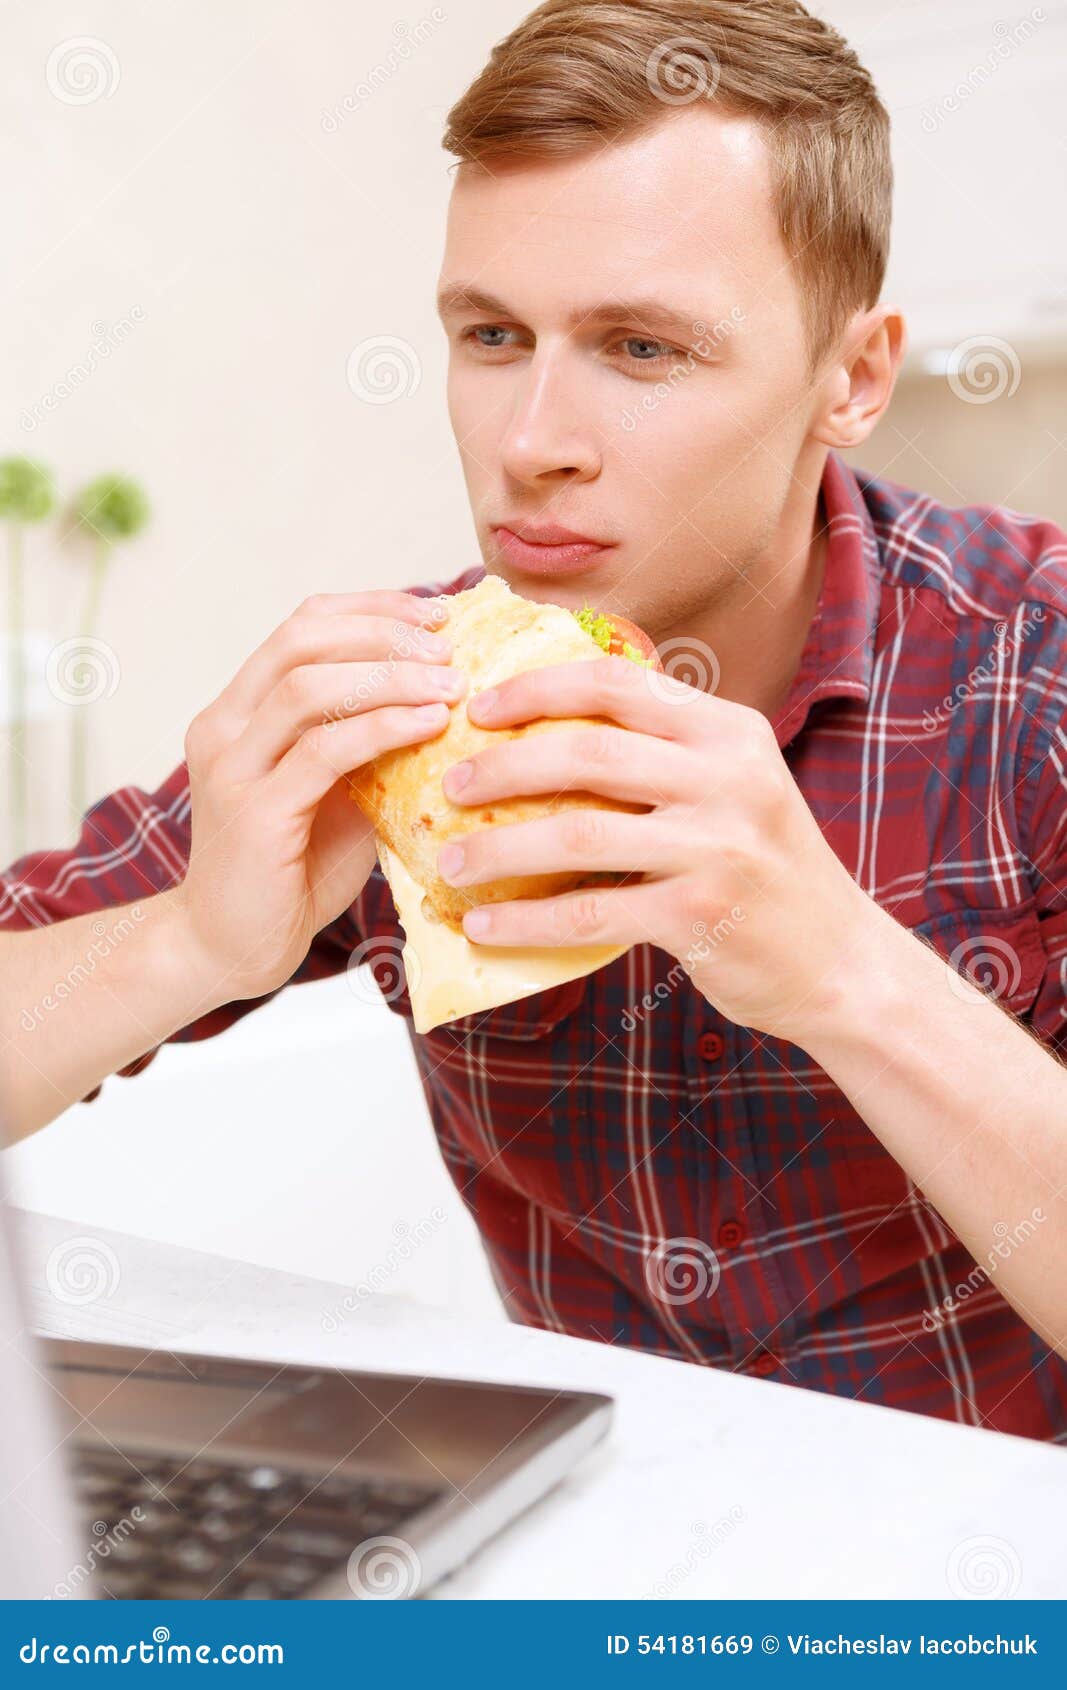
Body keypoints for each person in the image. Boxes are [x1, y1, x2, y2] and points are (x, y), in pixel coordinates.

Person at [4, 0, 1066, 1441]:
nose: (526, 442)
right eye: (492, 334)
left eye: (641, 349)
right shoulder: (405, 699)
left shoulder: (1034, 673)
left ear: (854, 377)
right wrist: (191, 936)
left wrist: (838, 967)